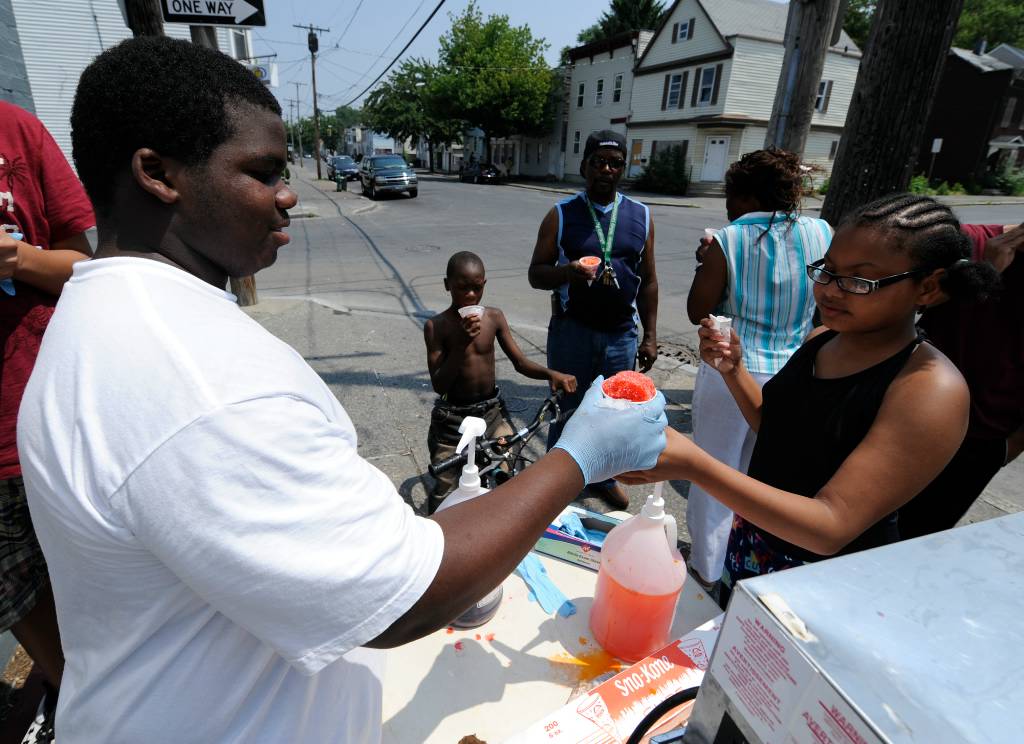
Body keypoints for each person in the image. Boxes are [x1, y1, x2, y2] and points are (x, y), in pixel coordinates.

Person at [16, 37, 667, 743]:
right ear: (157, 173)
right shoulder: (198, 377)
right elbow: (405, 596)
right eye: (262, 173)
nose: (288, 195)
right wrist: (579, 455)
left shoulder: (96, 312)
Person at [619, 193, 1000, 606]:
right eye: (827, 271)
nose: (832, 291)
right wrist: (734, 371)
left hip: (823, 585)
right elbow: (776, 429)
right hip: (755, 544)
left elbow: (829, 525)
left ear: (927, 287)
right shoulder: (823, 340)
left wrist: (695, 465)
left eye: (859, 281)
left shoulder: (929, 388)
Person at [684, 149, 831, 589]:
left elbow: (698, 310)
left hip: (732, 369)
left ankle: (705, 570)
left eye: (731, 197)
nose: (728, 208)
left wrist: (704, 262)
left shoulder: (728, 239)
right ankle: (739, 561)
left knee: (713, 471)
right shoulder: (822, 232)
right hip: (792, 372)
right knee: (755, 476)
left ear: (746, 197)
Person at [0, 101, 94, 726]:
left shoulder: (15, 130)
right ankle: (82, 702)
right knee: (14, 591)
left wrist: (15, 259)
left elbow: (86, 266)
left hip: (46, 414)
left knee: (97, 568)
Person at [529, 130, 659, 509]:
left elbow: (649, 280)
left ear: (622, 168)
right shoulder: (561, 214)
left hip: (621, 334)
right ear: (585, 166)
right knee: (566, 411)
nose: (606, 169)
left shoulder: (641, 215)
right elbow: (536, 274)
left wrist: (649, 336)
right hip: (573, 331)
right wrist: (567, 272)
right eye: (598, 162)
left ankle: (604, 478)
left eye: (614, 163)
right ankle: (554, 490)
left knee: (615, 415)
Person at [898, 222, 1023, 538]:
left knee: (912, 545)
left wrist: (1011, 446)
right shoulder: (971, 241)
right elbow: (899, 301)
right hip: (905, 417)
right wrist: (986, 271)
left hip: (981, 444)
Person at [424, 251, 576, 510]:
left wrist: (551, 374)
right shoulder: (436, 326)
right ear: (447, 285)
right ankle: (435, 534)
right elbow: (440, 384)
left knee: (507, 469)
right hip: (452, 418)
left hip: (491, 411)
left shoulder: (493, 317)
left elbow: (520, 362)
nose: (470, 296)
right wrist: (460, 343)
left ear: (484, 285)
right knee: (445, 487)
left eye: (476, 288)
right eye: (462, 288)